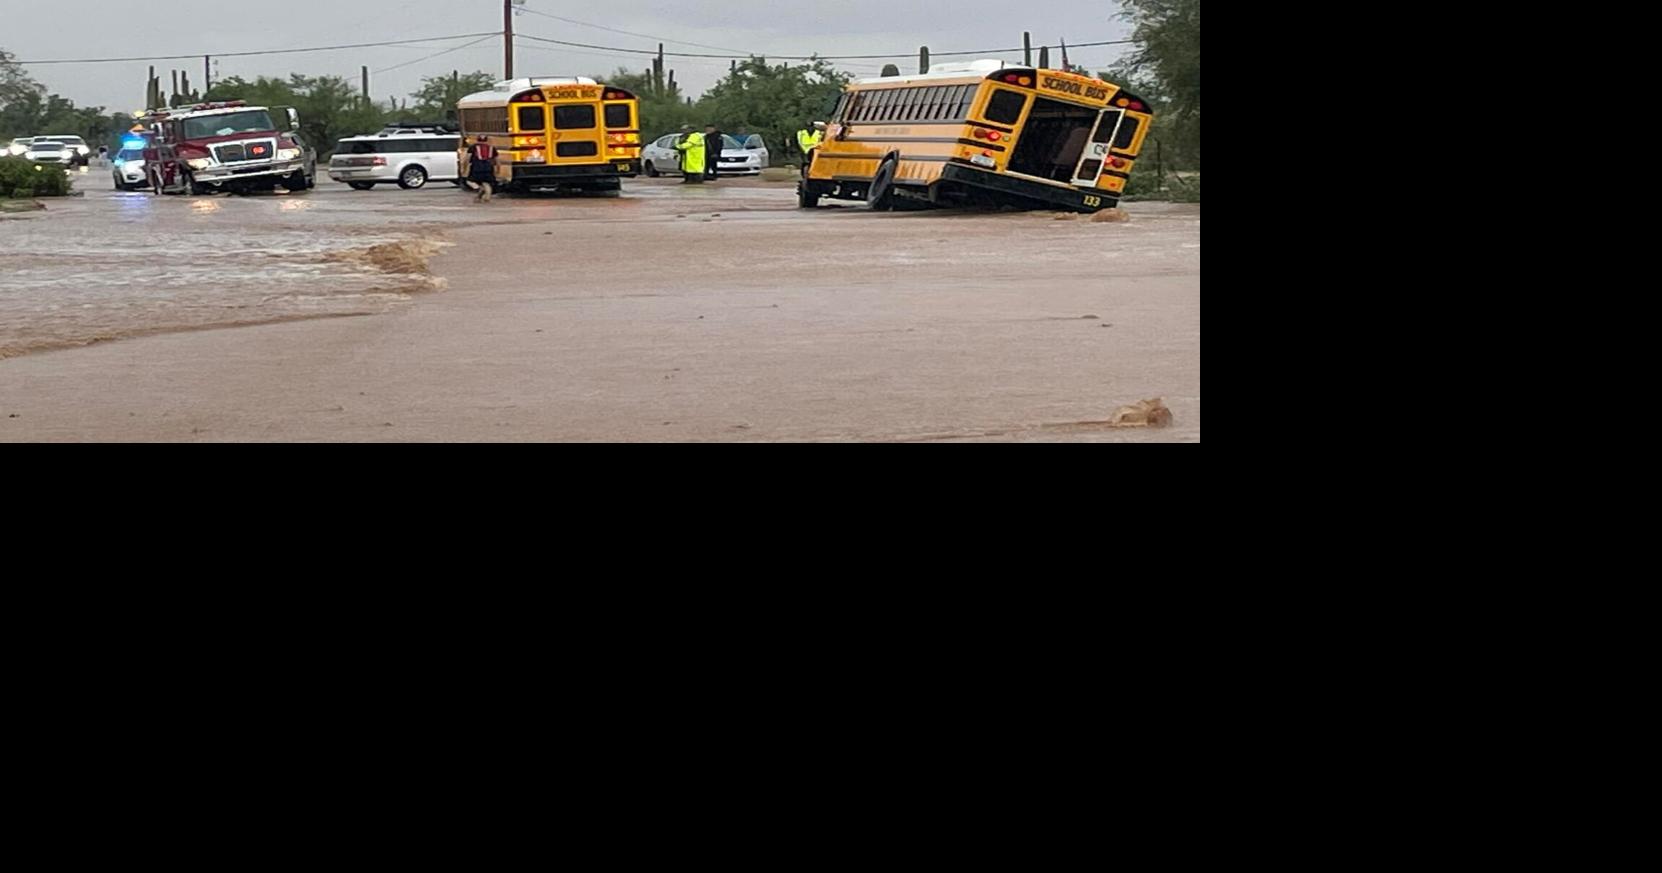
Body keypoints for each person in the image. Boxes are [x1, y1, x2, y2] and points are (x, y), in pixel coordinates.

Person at [466, 136, 497, 202]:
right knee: (486, 183)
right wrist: (497, 169)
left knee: (469, 181)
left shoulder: (473, 147)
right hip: (489, 167)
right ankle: (487, 197)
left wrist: (465, 166)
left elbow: (467, 158)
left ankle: (478, 188)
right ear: (486, 140)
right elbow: (497, 160)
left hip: (477, 166)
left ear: (477, 140)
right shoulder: (492, 148)